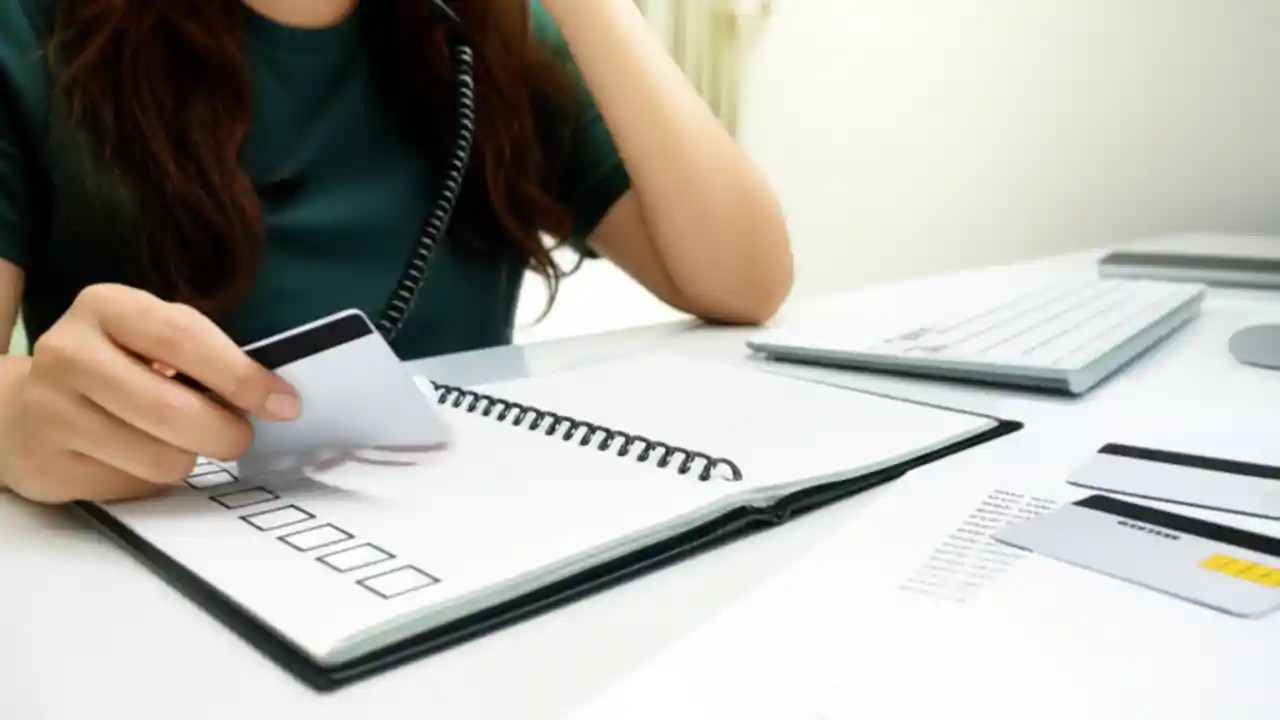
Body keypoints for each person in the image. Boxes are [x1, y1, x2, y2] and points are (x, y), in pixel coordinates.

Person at [0, 0, 793, 504]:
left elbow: (741, 281)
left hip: (466, 533)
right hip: (159, 553)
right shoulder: (32, 27)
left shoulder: (492, 30)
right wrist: (16, 418)